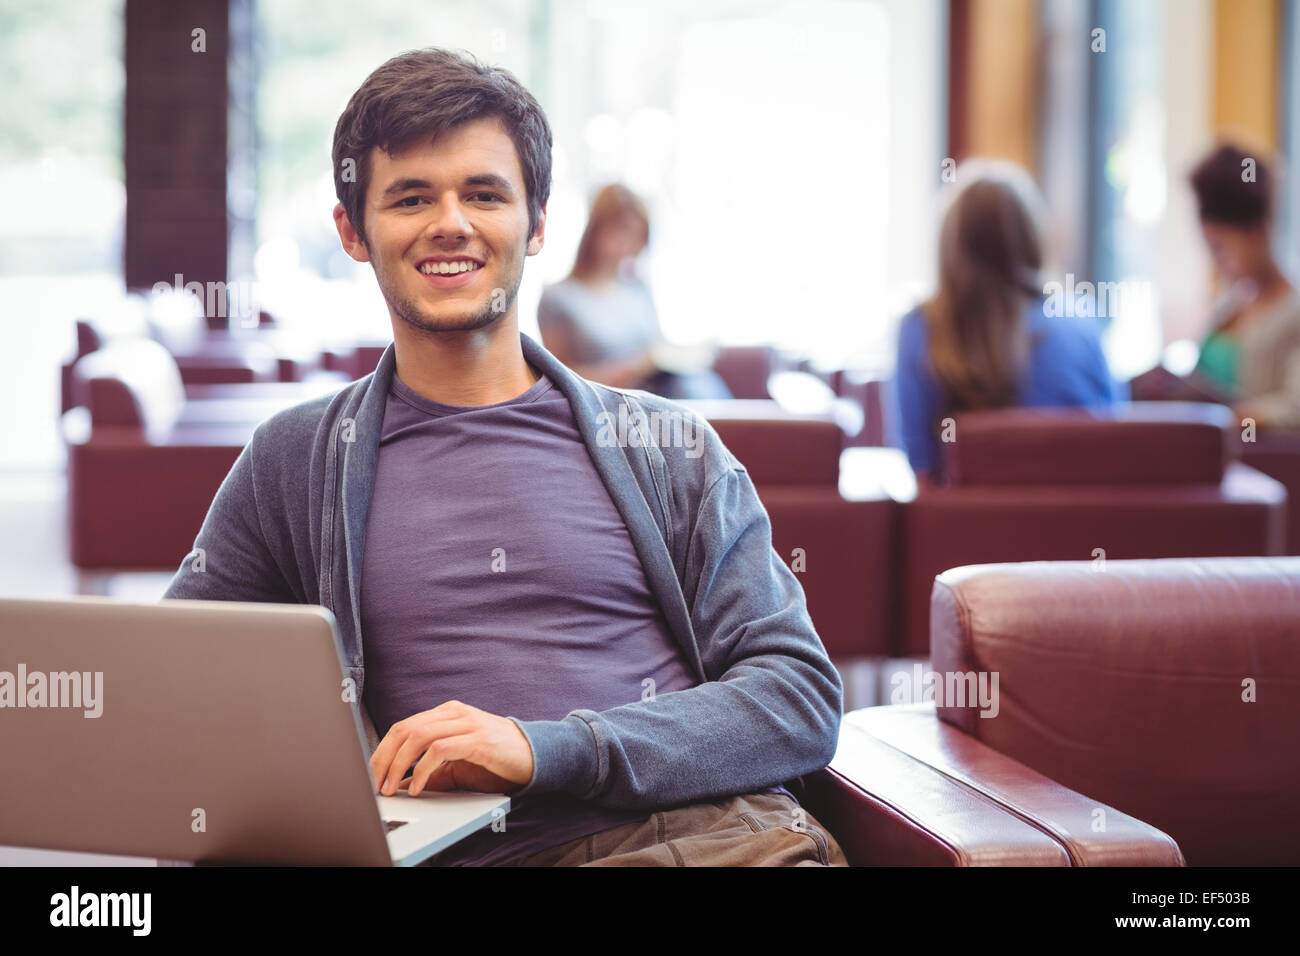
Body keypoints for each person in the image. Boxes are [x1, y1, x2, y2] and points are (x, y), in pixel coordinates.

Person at [161, 47, 845, 867]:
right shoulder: (296, 460)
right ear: (352, 231)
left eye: (483, 194)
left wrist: (544, 748)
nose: (450, 222)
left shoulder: (669, 446)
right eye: (411, 197)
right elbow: (181, 691)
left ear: (539, 223)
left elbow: (797, 698)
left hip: (685, 842)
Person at [893, 159, 1120, 481]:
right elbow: (1114, 444)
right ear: (1033, 237)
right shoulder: (1078, 320)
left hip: (965, 526)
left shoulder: (920, 327)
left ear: (949, 245)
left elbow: (923, 472)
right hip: (1075, 524)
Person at [1134, 143, 1300, 428]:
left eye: (1220, 247)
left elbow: (1294, 412)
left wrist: (1226, 417)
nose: (1216, 262)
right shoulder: (1231, 305)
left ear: (1259, 230)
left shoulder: (1292, 313)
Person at [537, 183, 731, 399]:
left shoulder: (637, 289)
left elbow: (656, 346)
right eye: (621, 233)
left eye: (636, 237)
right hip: (608, 404)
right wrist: (633, 369)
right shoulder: (559, 297)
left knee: (698, 384)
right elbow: (558, 381)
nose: (627, 245)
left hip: (659, 393)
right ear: (596, 230)